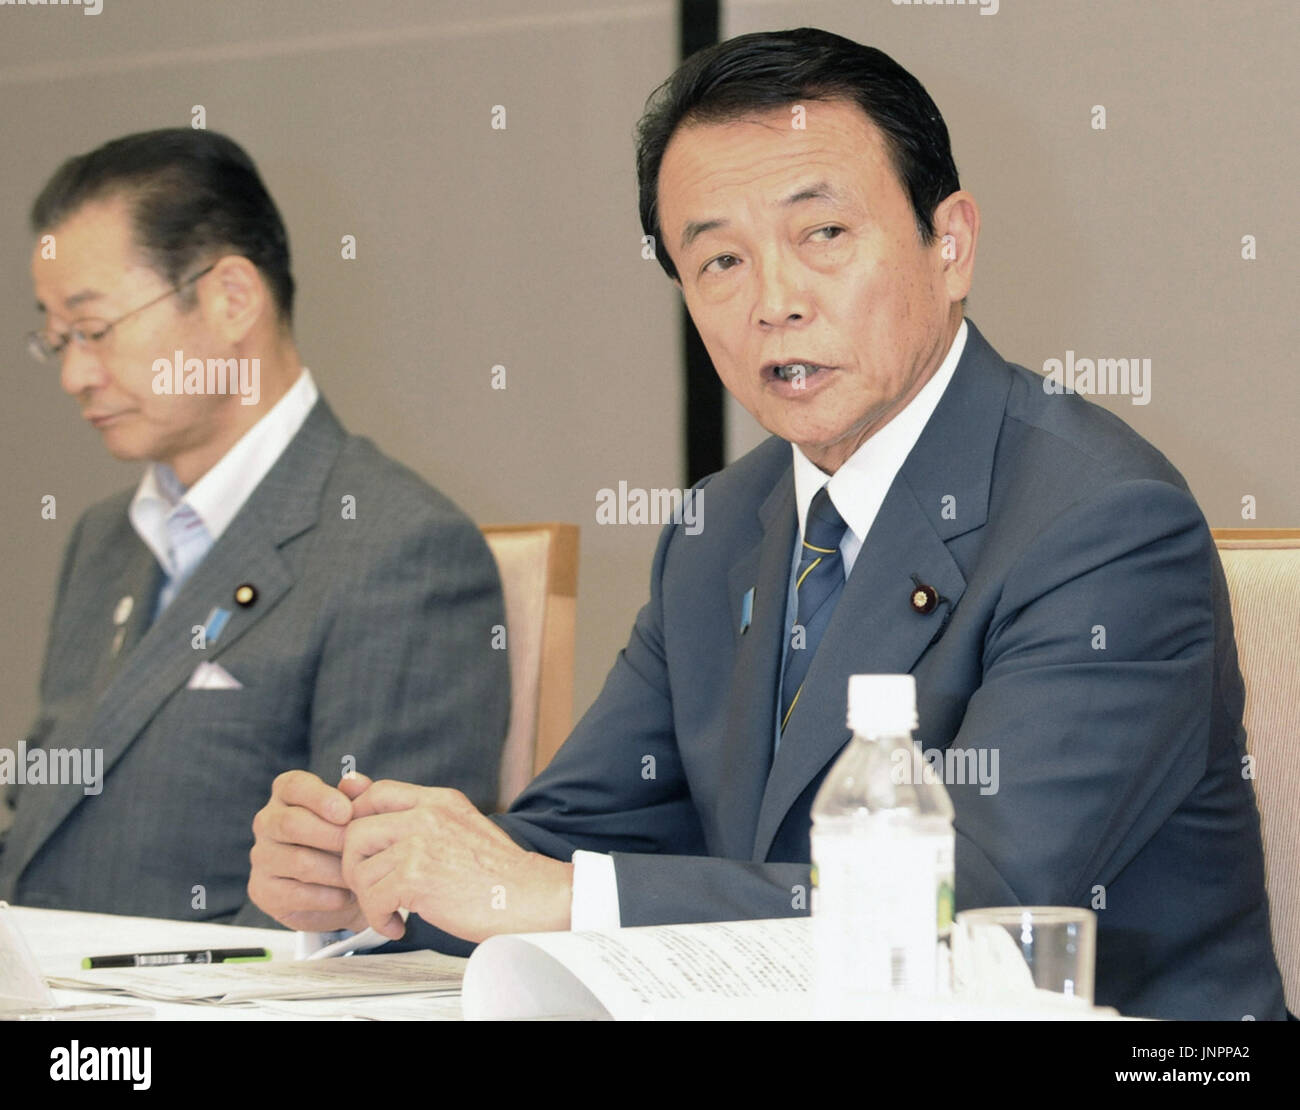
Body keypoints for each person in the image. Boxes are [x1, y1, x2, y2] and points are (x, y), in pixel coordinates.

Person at [247, 29, 1285, 1019]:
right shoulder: (719, 529)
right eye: (719, 261)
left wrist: (544, 895)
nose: (774, 301)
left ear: (950, 244)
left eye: (822, 234)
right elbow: (574, 835)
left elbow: (979, 903)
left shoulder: (1102, 522)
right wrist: (380, 872)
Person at [0, 129, 509, 925]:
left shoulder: (400, 548)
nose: (75, 374)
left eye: (94, 329)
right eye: (57, 338)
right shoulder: (105, 536)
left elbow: (369, 914)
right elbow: (43, 824)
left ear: (232, 298)